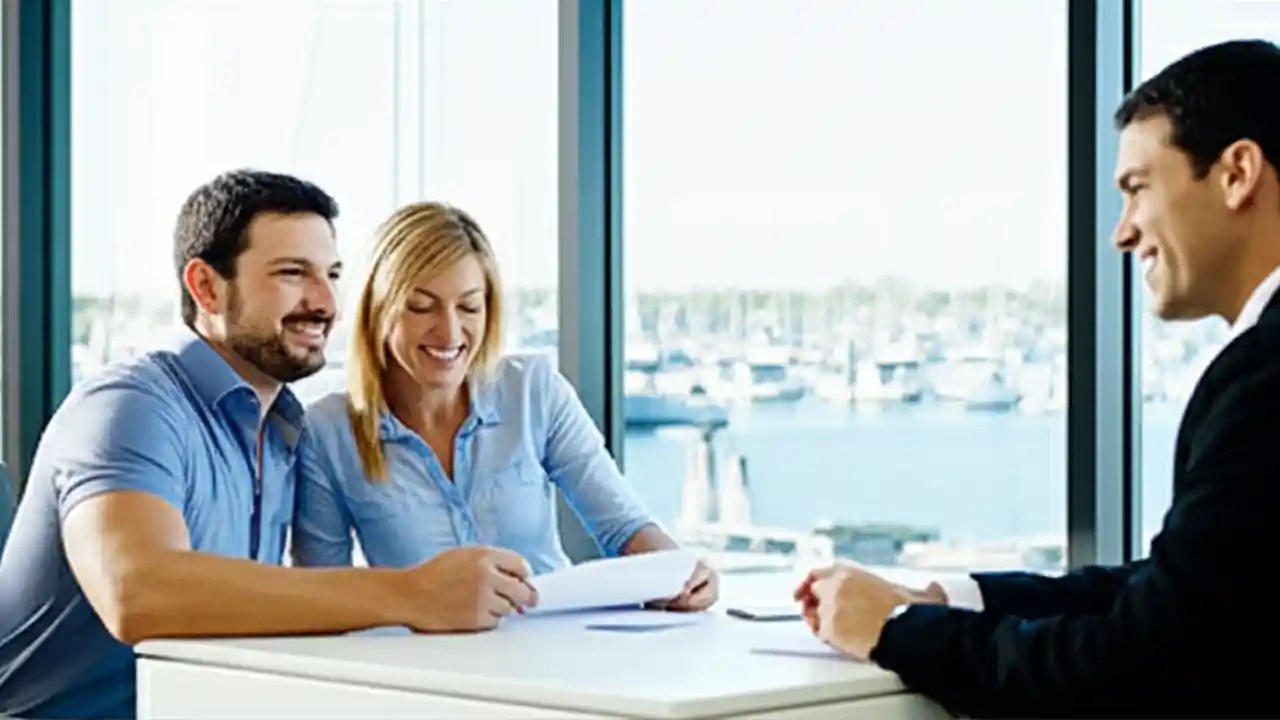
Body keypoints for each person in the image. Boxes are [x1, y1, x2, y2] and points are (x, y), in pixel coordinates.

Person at [794, 39, 1280, 717]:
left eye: (1138, 188)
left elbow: (1139, 660)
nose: (1122, 233)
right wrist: (951, 599)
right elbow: (1177, 593)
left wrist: (896, 632)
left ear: (1237, 173)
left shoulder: (1264, 379)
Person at [0, 171, 542, 719]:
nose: (326, 302)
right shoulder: (130, 405)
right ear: (206, 287)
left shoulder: (284, 431)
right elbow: (136, 591)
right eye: (292, 274)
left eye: (332, 274)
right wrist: (413, 594)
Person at [291, 201, 718, 611]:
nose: (450, 331)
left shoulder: (534, 391)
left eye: (469, 307)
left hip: (555, 651)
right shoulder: (327, 432)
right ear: (378, 309)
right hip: (426, 667)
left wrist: (678, 574)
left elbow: (623, 527)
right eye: (421, 307)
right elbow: (326, 593)